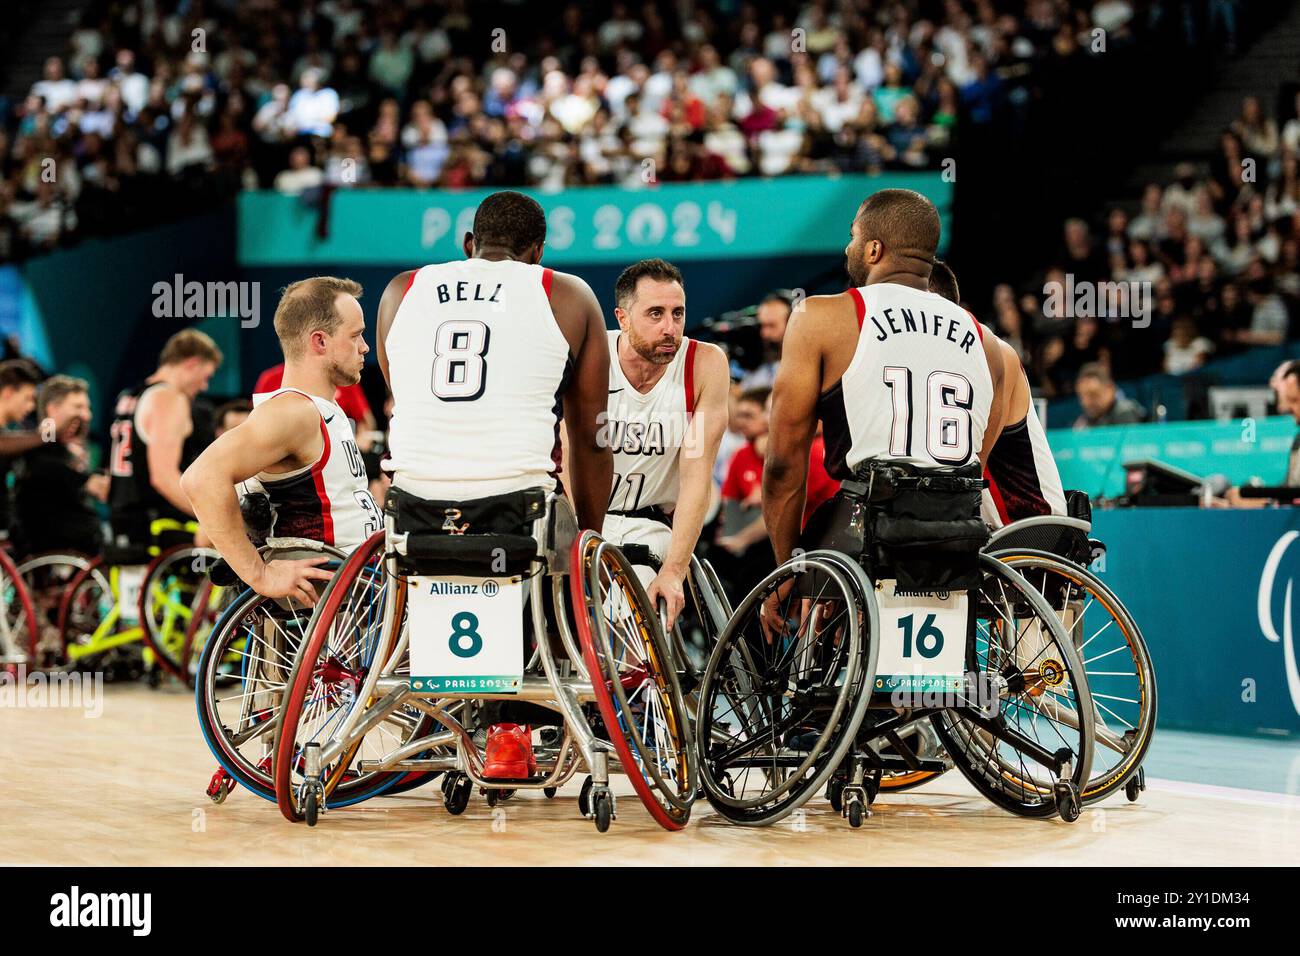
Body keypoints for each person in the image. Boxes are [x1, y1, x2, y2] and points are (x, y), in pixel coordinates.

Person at [374, 190, 612, 781]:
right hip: (514, 506)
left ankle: (438, 717)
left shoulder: (400, 291)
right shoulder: (566, 294)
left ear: (468, 245)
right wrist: (591, 534)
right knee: (561, 565)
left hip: (412, 505)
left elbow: (403, 393)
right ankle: (514, 729)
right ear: (538, 253)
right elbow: (589, 437)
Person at [761, 189, 1012, 587]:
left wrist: (788, 570)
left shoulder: (820, 317)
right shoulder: (988, 343)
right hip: (956, 538)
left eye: (853, 237)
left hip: (863, 529)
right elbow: (975, 464)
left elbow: (783, 464)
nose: (848, 250)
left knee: (814, 596)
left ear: (873, 249)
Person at [182, 277, 381, 605]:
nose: (365, 347)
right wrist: (260, 575)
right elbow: (200, 478)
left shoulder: (320, 410)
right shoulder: (293, 412)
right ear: (320, 342)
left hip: (361, 587)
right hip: (335, 602)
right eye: (356, 335)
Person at [598, 258, 729, 630]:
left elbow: (695, 478)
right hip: (582, 519)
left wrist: (674, 570)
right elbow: (570, 458)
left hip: (648, 524)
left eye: (677, 313)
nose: (669, 327)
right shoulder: (593, 354)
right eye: (655, 314)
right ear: (622, 317)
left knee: (628, 618)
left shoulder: (704, 364)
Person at [930, 260, 1066, 526]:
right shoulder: (937, 364)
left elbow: (971, 466)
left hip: (1031, 527)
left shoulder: (993, 353)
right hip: (984, 534)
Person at [107, 329, 222, 550]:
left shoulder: (129, 396)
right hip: (159, 532)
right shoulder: (168, 398)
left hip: (124, 530)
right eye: (206, 376)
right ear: (192, 364)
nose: (204, 386)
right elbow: (163, 477)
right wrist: (215, 516)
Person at [12, 375, 107, 556]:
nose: (87, 415)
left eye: (88, 408)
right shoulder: (39, 445)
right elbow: (45, 461)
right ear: (52, 409)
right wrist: (85, 481)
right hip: (52, 545)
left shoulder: (71, 450)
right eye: (78, 407)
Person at [1072, 363, 1146, 429]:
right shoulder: (1085, 421)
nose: (1085, 402)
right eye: (1082, 396)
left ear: (1110, 389)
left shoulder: (1124, 412)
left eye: (1093, 395)